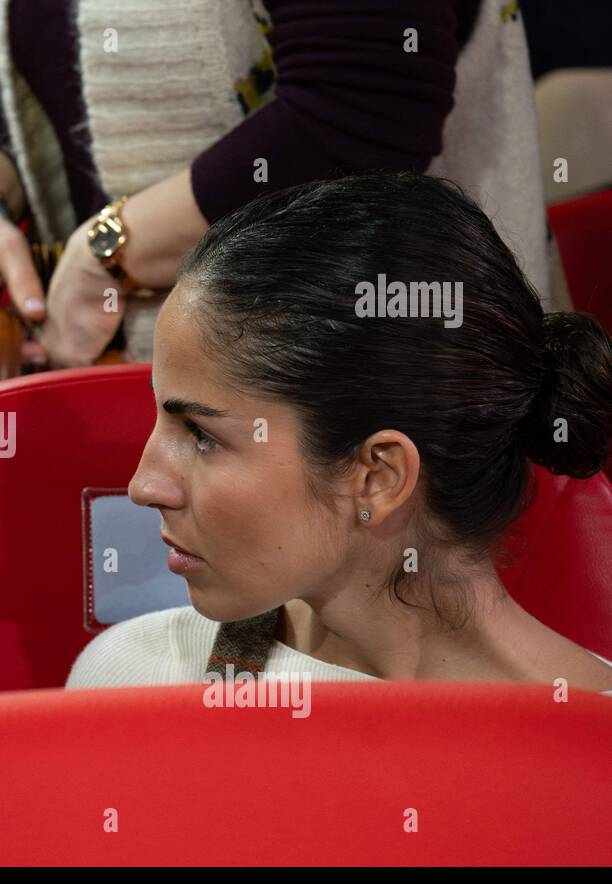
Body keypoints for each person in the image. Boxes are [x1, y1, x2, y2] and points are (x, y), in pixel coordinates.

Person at [67, 173, 612, 693]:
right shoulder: (133, 678)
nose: (143, 486)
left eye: (202, 435)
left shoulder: (591, 760)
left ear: (377, 475)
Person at [0, 0, 549, 377]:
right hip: (143, 387)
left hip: (358, 384)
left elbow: (364, 104)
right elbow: (5, 45)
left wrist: (109, 253)